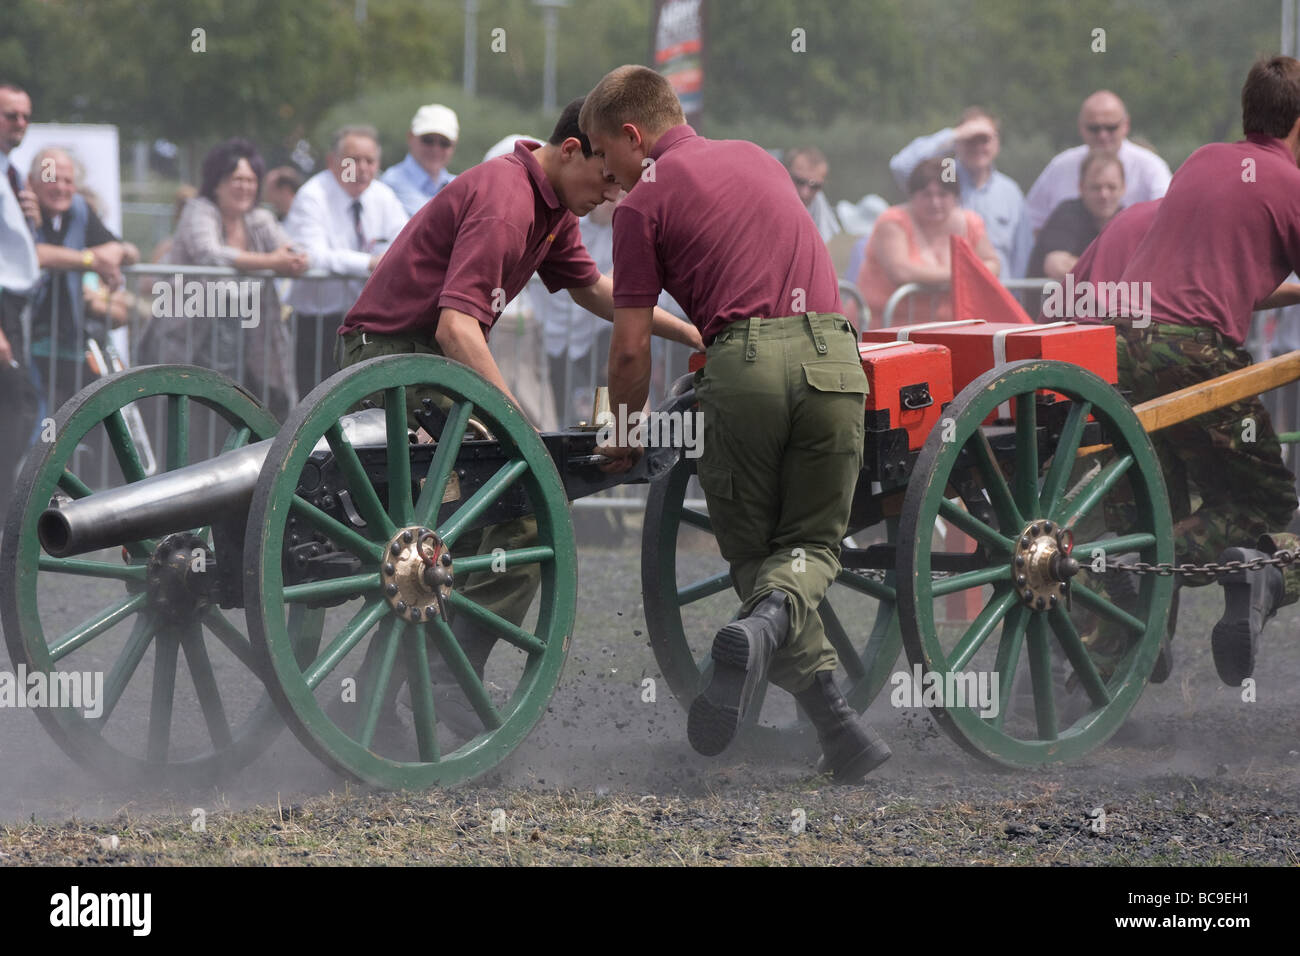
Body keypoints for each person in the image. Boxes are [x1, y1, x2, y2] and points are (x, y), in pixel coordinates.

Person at [337, 97, 701, 740]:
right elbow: (455, 329)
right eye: (607, 178)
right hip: (393, 359)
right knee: (525, 500)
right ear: (570, 149)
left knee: (488, 511)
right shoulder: (508, 202)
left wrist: (691, 332)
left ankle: (385, 686)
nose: (613, 195)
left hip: (420, 361)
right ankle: (446, 674)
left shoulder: (553, 207)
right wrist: (518, 430)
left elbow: (598, 292)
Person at [580, 65, 891, 783]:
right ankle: (837, 728)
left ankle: (765, 629)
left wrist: (625, 433)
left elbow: (629, 349)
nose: (609, 176)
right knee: (813, 543)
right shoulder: (758, 156)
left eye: (606, 155)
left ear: (634, 135)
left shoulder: (640, 207)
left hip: (744, 365)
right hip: (837, 359)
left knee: (755, 557)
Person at [1110, 56, 1300, 688]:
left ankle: (1117, 583)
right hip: (1191, 352)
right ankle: (1253, 573)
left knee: (1154, 498)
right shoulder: (1289, 183)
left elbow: (1208, 279)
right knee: (1266, 500)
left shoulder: (1200, 160)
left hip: (1122, 344)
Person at [151, 138, 308, 418]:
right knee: (201, 419)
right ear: (216, 182)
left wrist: (298, 258)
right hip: (192, 338)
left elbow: (291, 248)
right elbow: (210, 254)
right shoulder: (197, 210)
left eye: (250, 179)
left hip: (251, 337)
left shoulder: (258, 219)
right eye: (236, 178)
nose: (245, 186)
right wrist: (272, 262)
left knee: (247, 413)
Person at [285, 124, 408, 397]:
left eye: (370, 160)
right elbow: (312, 255)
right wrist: (368, 263)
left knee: (364, 401)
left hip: (368, 322)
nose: (362, 168)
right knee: (316, 402)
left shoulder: (383, 196)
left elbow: (406, 241)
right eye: (354, 160)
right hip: (318, 321)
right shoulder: (312, 195)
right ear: (332, 161)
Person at [27, 147, 140, 419]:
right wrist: (91, 260)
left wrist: (110, 258)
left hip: (71, 346)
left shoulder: (78, 208)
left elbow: (122, 249)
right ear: (33, 182)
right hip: (25, 341)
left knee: (82, 425)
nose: (61, 187)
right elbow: (34, 254)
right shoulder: (23, 205)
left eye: (68, 181)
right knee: (28, 428)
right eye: (52, 179)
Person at [889, 107, 1031, 277]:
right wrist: (953, 134)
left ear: (997, 144)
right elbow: (901, 166)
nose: (977, 147)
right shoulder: (945, 174)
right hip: (949, 291)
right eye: (970, 139)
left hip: (996, 293)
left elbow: (1022, 253)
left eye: (984, 139)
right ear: (958, 143)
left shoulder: (1010, 191)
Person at [858, 157, 1000, 326]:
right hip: (887, 329)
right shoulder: (892, 221)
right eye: (926, 194)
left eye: (943, 194)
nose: (935, 202)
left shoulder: (970, 222)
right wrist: (964, 274)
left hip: (949, 330)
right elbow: (901, 272)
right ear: (912, 195)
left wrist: (961, 274)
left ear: (956, 196)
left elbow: (993, 264)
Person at [1025, 90, 1171, 235]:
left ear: (1126, 125)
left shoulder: (1151, 167)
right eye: (1094, 128)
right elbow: (1032, 222)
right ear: (1081, 127)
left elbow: (1167, 219)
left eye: (1111, 127)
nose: (1102, 135)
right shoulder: (1060, 167)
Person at [0, 81, 40, 514]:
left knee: (19, 408)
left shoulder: (11, 171)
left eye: (25, 115)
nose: (20, 123)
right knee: (17, 406)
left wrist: (33, 222)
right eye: (10, 114)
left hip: (13, 307)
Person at [1027, 150, 1126, 282]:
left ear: (1123, 188)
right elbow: (1056, 265)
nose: (1104, 195)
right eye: (1096, 188)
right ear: (1081, 187)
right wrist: (1114, 272)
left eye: (1111, 187)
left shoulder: (1128, 220)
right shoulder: (1067, 214)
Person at [381, 104, 459, 217]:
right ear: (410, 138)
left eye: (444, 143)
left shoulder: (458, 185)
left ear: (454, 146)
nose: (435, 149)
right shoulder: (391, 184)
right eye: (428, 140)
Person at [785, 146, 841, 242]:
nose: (805, 193)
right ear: (785, 173)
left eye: (815, 186)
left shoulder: (819, 203)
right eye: (799, 181)